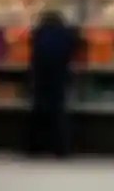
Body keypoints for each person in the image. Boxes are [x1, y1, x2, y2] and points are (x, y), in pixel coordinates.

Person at [27, 10, 81, 158]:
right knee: (58, 111)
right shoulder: (67, 34)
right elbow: (73, 50)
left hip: (40, 76)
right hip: (60, 75)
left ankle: (34, 147)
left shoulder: (38, 33)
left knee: (38, 110)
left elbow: (33, 51)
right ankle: (61, 148)